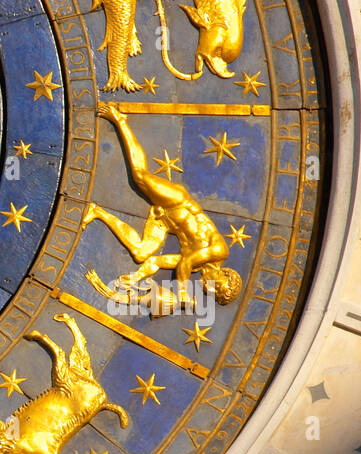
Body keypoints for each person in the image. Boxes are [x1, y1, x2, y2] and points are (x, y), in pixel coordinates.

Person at [81, 102, 241, 315]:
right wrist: (183, 292)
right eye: (216, 287)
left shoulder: (195, 267)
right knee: (140, 176)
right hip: (178, 203)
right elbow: (187, 261)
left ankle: (97, 212)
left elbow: (157, 261)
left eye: (213, 293)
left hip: (165, 221)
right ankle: (120, 120)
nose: (208, 289)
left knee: (140, 253)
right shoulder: (218, 251)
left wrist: (137, 277)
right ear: (224, 275)